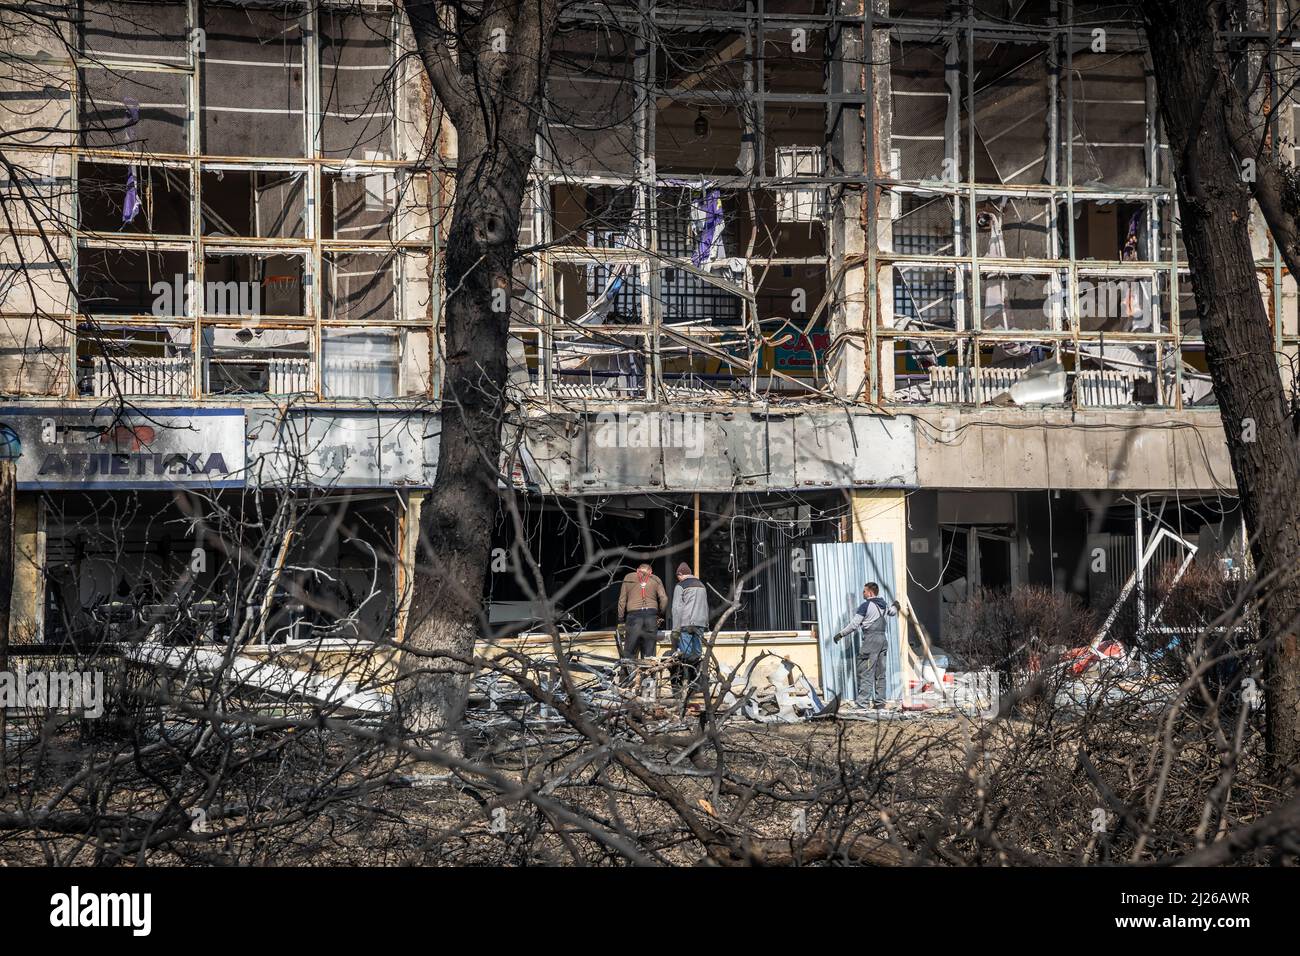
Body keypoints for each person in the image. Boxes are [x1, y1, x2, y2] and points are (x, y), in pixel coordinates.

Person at [834, 582, 899, 709]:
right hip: (883, 640)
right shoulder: (884, 605)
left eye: (864, 591)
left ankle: (862, 704)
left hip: (870, 641)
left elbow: (854, 625)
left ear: (870, 592)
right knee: (880, 674)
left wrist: (840, 635)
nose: (862, 593)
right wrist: (896, 605)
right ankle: (880, 703)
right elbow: (892, 612)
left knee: (866, 672)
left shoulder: (865, 605)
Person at [617, 562, 668, 674]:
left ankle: (626, 682)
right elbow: (664, 599)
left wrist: (620, 620)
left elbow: (622, 600)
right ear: (651, 572)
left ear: (637, 570)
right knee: (649, 654)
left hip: (633, 618)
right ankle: (649, 685)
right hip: (651, 617)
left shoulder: (628, 577)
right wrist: (660, 614)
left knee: (629, 652)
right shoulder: (655, 579)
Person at [669, 562, 709, 698]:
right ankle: (698, 685)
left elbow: (676, 608)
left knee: (685, 656)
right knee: (697, 654)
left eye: (677, 576)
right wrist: (705, 624)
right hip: (700, 623)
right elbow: (705, 605)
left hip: (686, 624)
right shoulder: (701, 585)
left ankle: (685, 685)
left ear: (680, 574)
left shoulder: (680, 586)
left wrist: (675, 629)